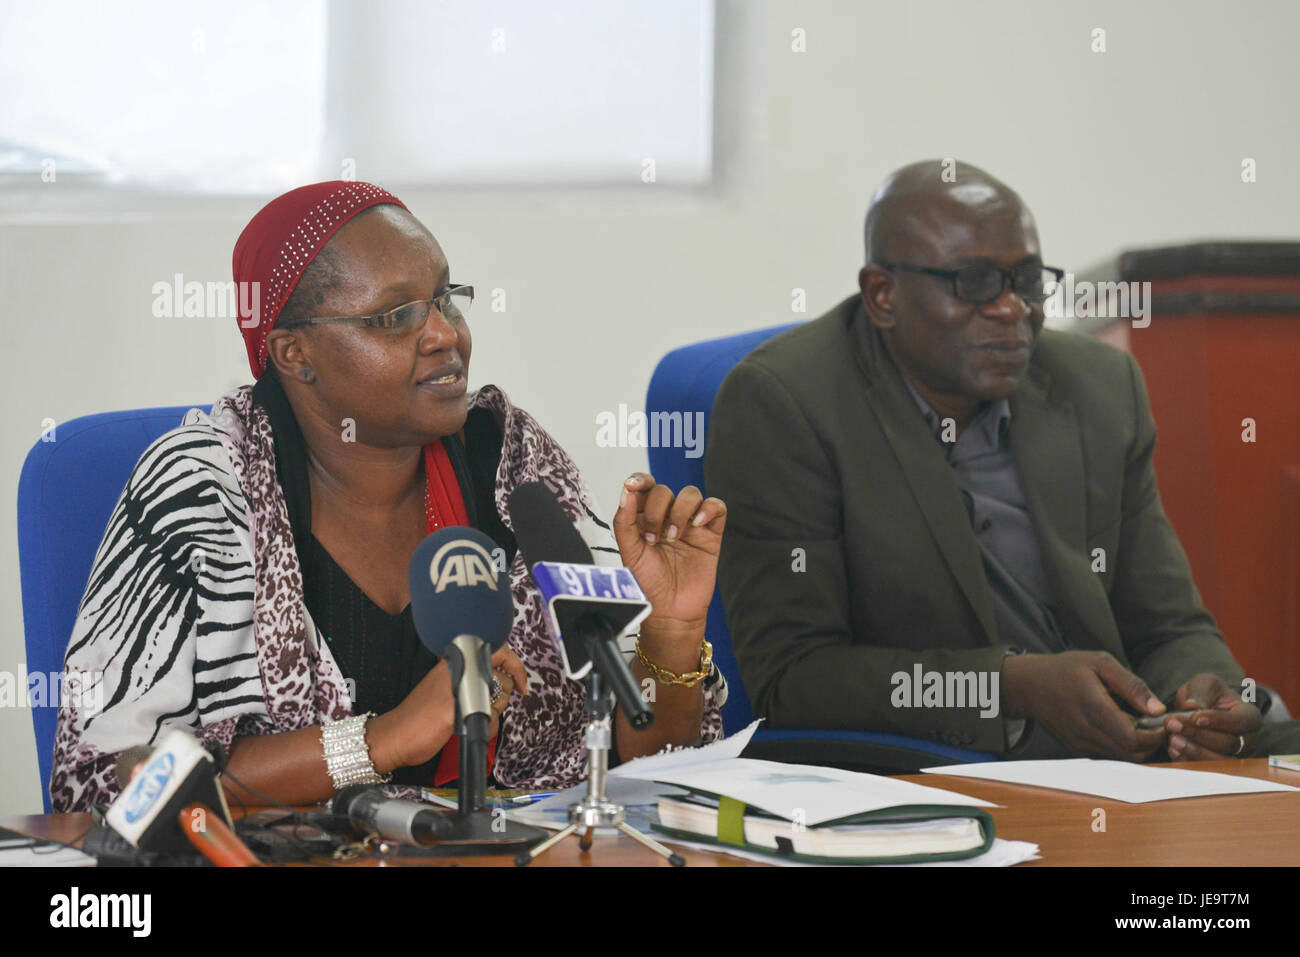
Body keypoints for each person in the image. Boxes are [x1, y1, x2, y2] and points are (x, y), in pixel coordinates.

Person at [52, 181, 727, 812]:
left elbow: (645, 768)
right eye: (396, 316)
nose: (444, 334)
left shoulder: (511, 465)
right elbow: (107, 786)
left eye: (445, 298)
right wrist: (380, 742)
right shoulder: (204, 491)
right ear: (293, 353)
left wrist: (672, 628)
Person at [706, 160, 1299, 763]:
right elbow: (795, 678)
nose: (1013, 309)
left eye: (1027, 280)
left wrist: (1204, 696)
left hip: (1129, 754)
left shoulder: (1098, 386)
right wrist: (1009, 688)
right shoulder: (786, 404)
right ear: (883, 295)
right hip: (949, 767)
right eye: (975, 283)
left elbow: (1170, 625)